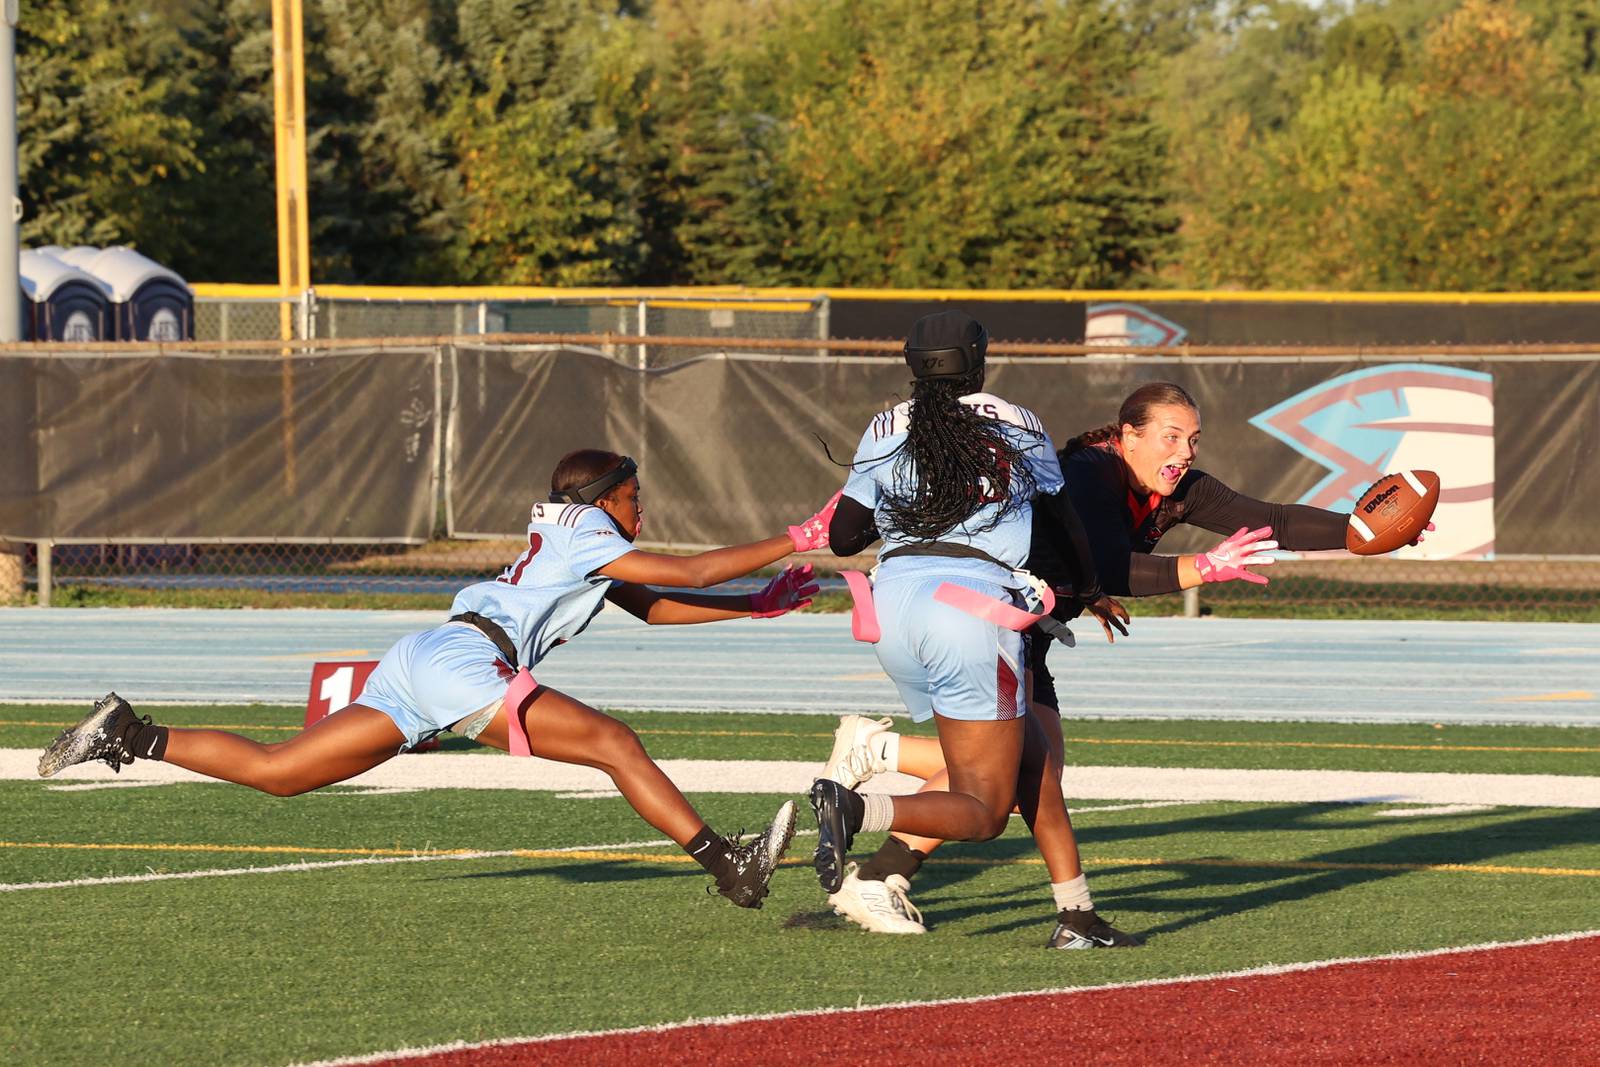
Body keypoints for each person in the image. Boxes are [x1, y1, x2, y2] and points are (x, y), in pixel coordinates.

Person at [38, 449, 842, 911]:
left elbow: (655, 604)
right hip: (465, 661)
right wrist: (797, 537)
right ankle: (728, 866)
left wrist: (755, 605)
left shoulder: (576, 540)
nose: (643, 509)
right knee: (614, 743)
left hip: (428, 655)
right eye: (636, 496)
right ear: (604, 498)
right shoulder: (589, 526)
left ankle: (130, 732)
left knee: (280, 773)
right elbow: (688, 566)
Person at [823, 380, 1430, 937]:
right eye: (1170, 436)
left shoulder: (1174, 488)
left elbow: (1266, 519)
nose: (1185, 451)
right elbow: (1109, 563)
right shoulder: (1090, 474)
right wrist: (1199, 569)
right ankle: (883, 805)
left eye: (1193, 439)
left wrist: (1357, 532)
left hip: (1020, 624)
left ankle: (885, 857)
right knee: (1014, 775)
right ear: (1127, 436)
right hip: (987, 622)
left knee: (1031, 771)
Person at [808, 309, 1135, 950]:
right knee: (983, 809)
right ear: (980, 360)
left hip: (891, 606)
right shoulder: (1016, 422)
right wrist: (1091, 588)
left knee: (1032, 755)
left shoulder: (883, 426)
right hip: (972, 611)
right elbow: (1062, 523)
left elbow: (845, 536)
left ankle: (1078, 916)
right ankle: (856, 807)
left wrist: (916, 516)